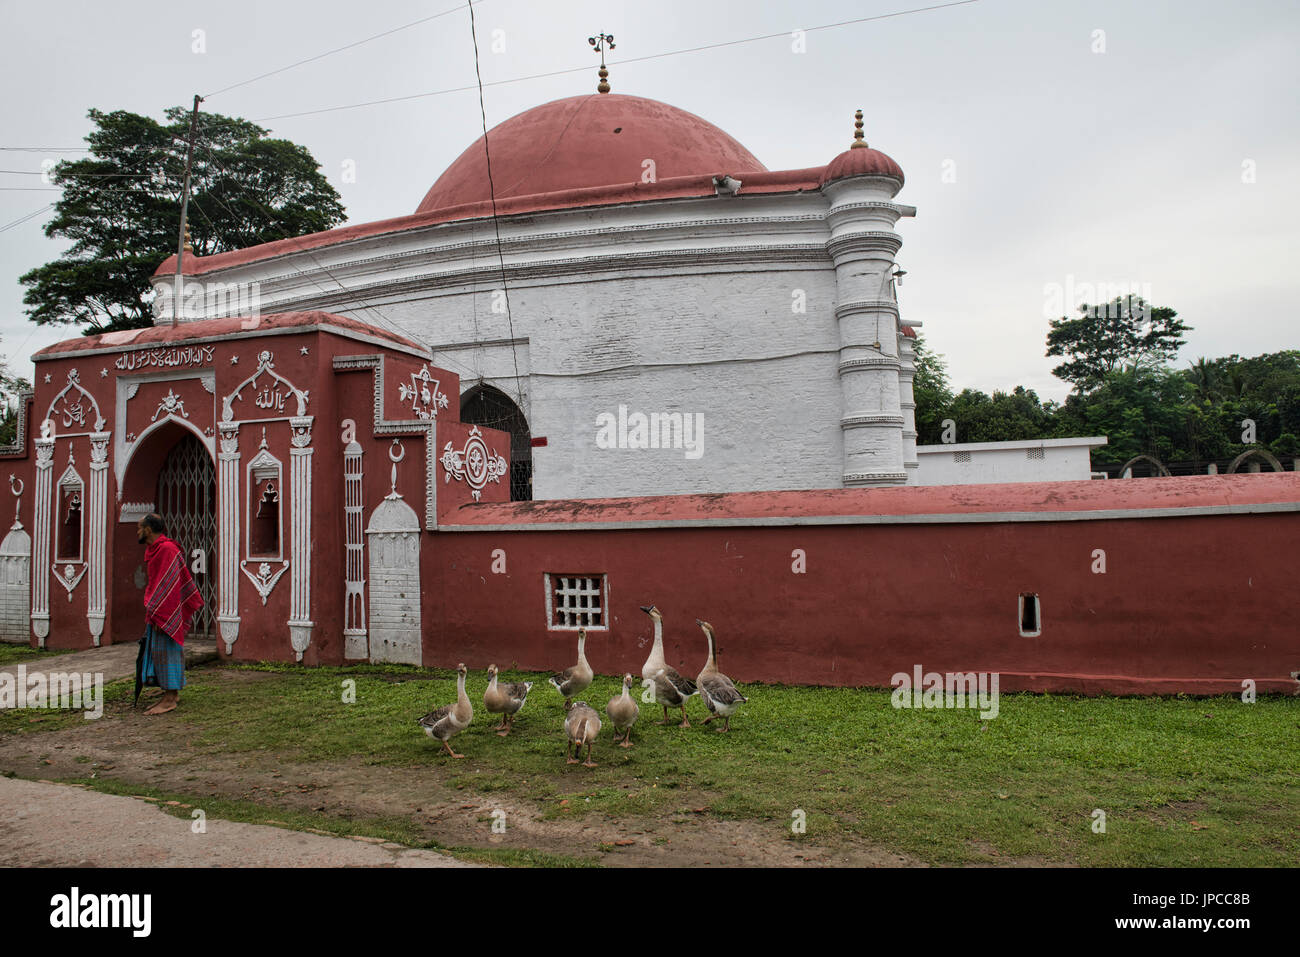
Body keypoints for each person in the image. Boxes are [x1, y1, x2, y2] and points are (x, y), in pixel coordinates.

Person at [137, 513, 203, 715]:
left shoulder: (167, 549)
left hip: (165, 611)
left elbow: (170, 585)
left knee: (168, 651)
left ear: (148, 529)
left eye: (140, 527)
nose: (138, 532)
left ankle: (170, 697)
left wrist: (162, 613)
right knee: (160, 651)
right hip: (159, 609)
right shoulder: (156, 550)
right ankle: (170, 693)